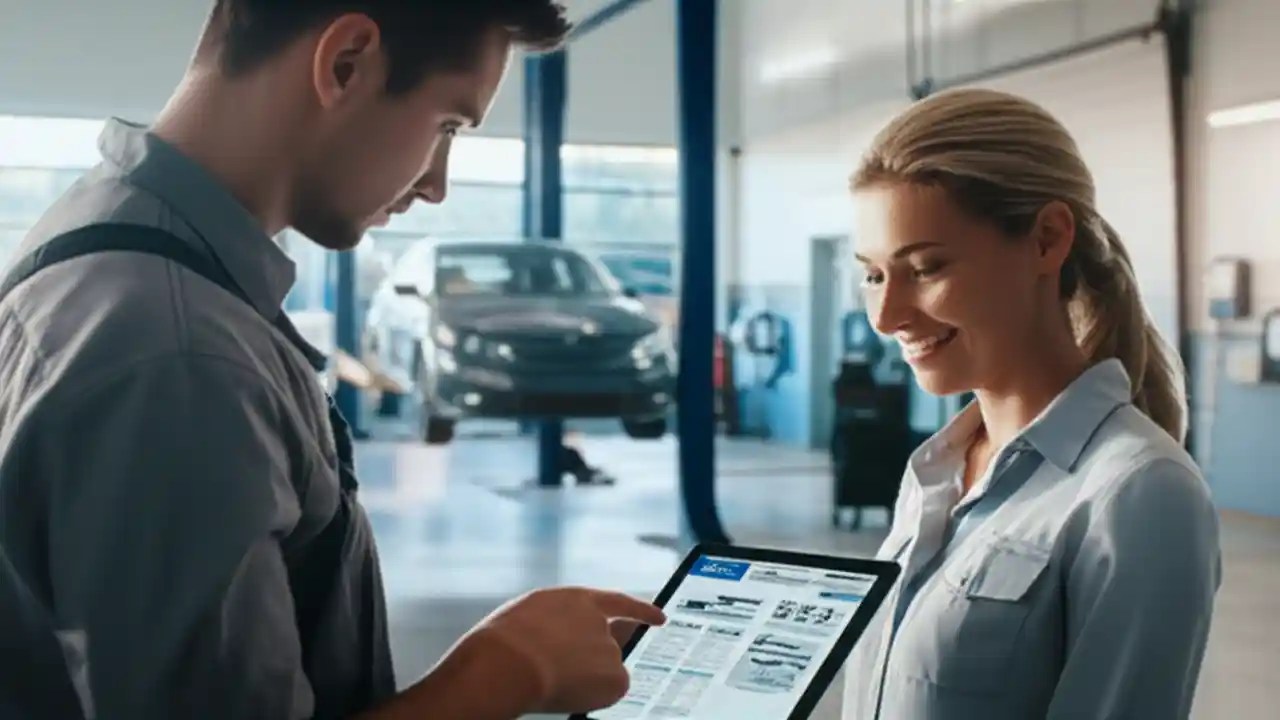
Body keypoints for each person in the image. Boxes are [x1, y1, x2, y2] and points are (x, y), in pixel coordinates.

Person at [0, 2, 665, 719]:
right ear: (346, 62)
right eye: (447, 125)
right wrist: (505, 674)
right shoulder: (179, 353)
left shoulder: (103, 239)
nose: (437, 184)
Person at [840, 88, 1221, 719]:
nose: (885, 317)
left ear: (1047, 239)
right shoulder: (937, 473)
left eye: (926, 268)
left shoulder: (1137, 491)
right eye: (874, 275)